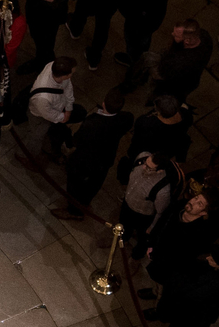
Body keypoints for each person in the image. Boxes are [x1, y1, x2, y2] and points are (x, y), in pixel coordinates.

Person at [52, 88, 132, 219]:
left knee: (74, 186)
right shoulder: (125, 118)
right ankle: (85, 203)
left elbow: (77, 140)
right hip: (105, 159)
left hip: (85, 161)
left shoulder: (93, 123)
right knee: (94, 184)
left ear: (104, 103)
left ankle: (74, 211)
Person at [122, 19, 214, 103]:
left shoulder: (181, 61)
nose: (172, 34)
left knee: (156, 88)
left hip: (175, 84)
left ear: (187, 41)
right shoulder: (204, 36)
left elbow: (159, 74)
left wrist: (150, 68)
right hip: (190, 80)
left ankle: (148, 98)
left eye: (176, 35)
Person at [119, 96, 192, 182]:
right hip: (164, 154)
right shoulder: (186, 116)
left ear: (160, 112)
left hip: (145, 153)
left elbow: (137, 141)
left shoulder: (146, 123)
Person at [25, 56, 84, 157]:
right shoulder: (42, 98)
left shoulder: (54, 66)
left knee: (81, 112)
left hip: (58, 107)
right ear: (65, 75)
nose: (72, 76)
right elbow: (48, 114)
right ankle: (30, 156)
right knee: (37, 137)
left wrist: (68, 110)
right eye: (71, 74)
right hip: (40, 117)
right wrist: (63, 117)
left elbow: (68, 87)